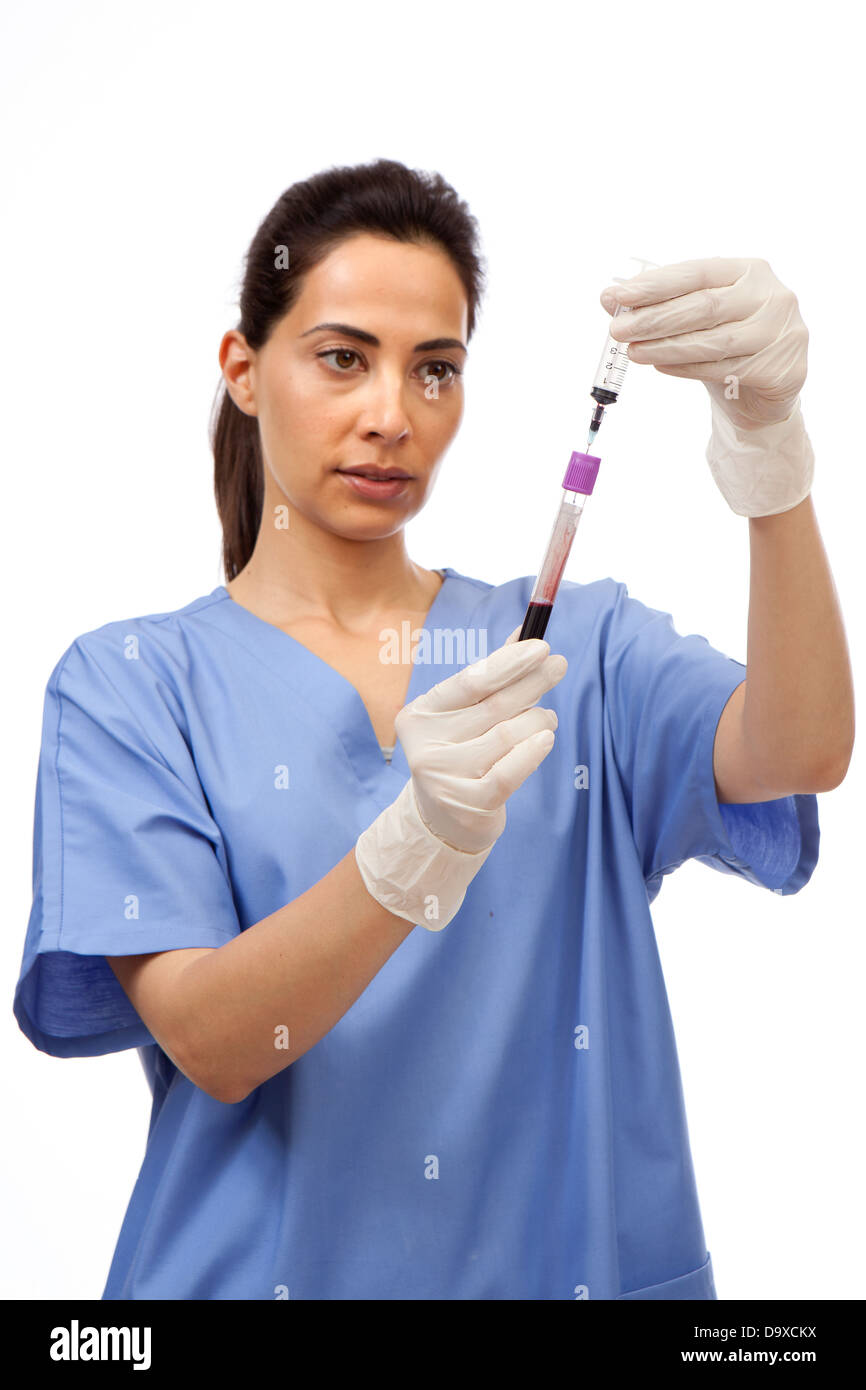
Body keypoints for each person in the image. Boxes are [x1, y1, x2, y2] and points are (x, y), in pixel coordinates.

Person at [13, 159, 853, 1301]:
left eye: (435, 370)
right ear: (244, 370)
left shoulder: (575, 649)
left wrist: (769, 451)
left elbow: (801, 745)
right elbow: (212, 1043)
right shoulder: (132, 686)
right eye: (343, 357)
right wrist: (407, 850)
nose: (389, 416)